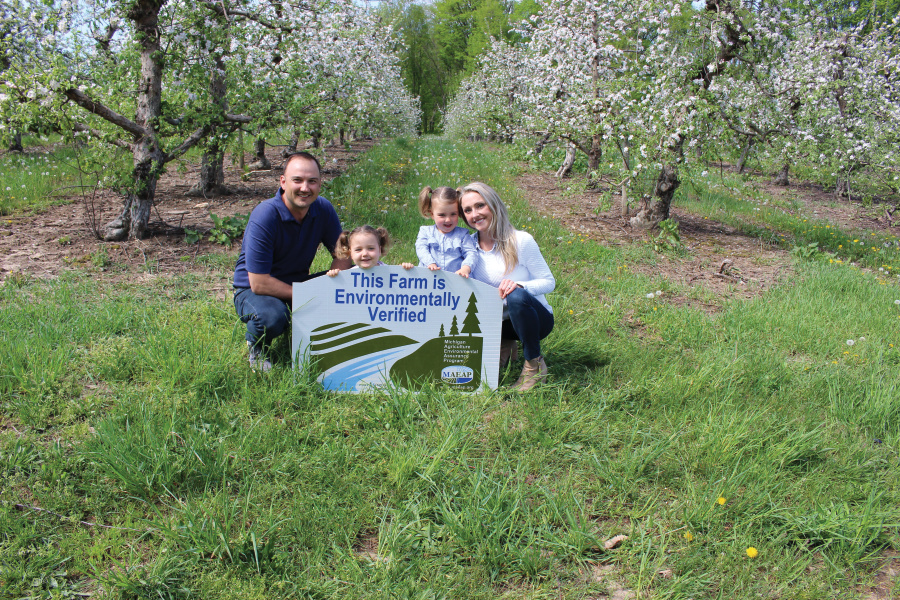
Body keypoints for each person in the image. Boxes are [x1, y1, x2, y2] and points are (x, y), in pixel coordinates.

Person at [233, 151, 352, 371]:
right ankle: (258, 346)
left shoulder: (323, 209)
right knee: (273, 316)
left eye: (312, 181)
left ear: (319, 184)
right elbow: (259, 282)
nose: (305, 188)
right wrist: (312, 296)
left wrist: (335, 285)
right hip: (254, 290)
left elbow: (344, 254)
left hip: (297, 282)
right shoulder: (265, 215)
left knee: (354, 282)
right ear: (283, 182)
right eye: (297, 180)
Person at [459, 182, 555, 391]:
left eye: (480, 205)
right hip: (497, 323)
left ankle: (534, 364)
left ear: (494, 205)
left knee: (516, 296)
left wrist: (519, 284)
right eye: (467, 210)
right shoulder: (467, 247)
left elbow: (549, 282)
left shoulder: (521, 240)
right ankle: (504, 343)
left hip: (535, 319)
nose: (475, 214)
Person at [415, 186, 478, 278]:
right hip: (430, 277)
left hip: (455, 282)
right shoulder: (426, 232)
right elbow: (421, 249)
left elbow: (471, 253)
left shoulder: (462, 234)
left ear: (459, 213)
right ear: (432, 214)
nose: (448, 220)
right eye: (442, 215)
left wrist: (465, 268)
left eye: (453, 214)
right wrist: (430, 263)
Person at [326, 225, 415, 275]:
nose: (365, 253)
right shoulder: (349, 275)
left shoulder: (389, 271)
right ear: (350, 253)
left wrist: (405, 270)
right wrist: (335, 277)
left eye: (371, 248)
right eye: (358, 250)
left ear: (379, 250)